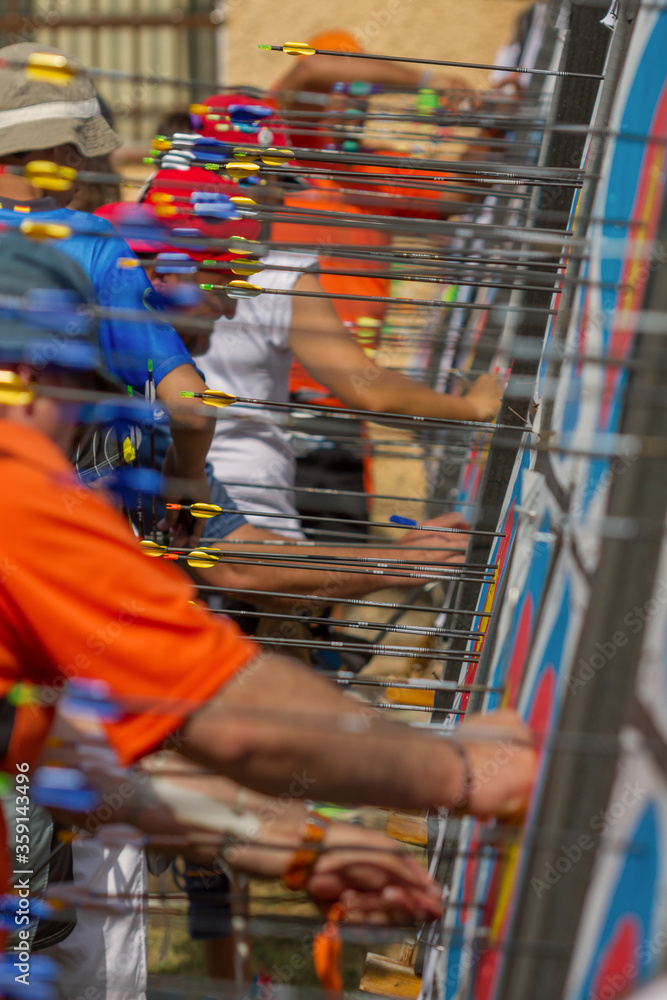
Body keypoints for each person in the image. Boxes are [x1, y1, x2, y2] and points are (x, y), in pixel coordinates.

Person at [0, 232, 536, 971]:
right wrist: (453, 769)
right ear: (30, 374)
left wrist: (292, 843)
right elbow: (226, 713)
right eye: (79, 391)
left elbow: (64, 760)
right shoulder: (18, 491)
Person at [0, 41, 217, 542]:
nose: (85, 164)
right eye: (78, 147)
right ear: (52, 150)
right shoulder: (93, 243)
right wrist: (187, 475)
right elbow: (191, 405)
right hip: (65, 531)